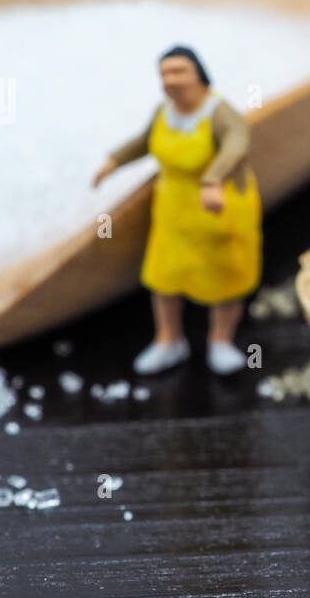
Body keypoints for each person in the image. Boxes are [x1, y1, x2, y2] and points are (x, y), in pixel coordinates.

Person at [93, 46, 261, 376]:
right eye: (164, 74)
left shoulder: (219, 113)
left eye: (178, 71)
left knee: (224, 278)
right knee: (164, 278)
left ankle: (221, 340)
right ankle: (169, 339)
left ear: (198, 73)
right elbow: (142, 142)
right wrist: (112, 162)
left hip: (219, 208)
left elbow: (237, 144)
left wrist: (213, 180)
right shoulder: (163, 112)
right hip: (174, 211)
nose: (170, 80)